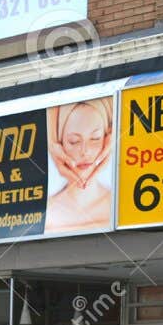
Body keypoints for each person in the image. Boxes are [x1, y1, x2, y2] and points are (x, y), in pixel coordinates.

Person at [45, 100, 115, 234]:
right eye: (74, 141)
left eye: (95, 138)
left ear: (106, 141)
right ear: (60, 144)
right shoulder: (46, 214)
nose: (85, 151)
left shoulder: (121, 207)